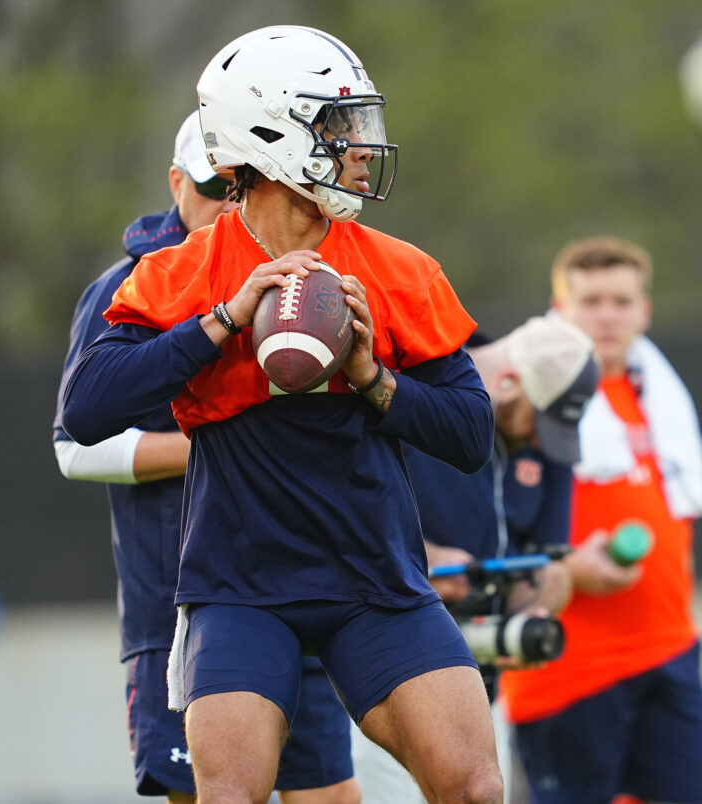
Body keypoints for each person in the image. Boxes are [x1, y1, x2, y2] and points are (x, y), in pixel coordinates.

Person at [61, 24, 504, 804]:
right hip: (240, 587)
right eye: (339, 125)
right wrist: (221, 323)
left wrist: (372, 379)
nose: (362, 147)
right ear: (267, 135)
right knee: (230, 796)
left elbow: (472, 434)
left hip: (375, 581)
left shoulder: (400, 269)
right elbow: (88, 409)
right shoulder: (181, 273)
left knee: (474, 787)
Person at [53, 110, 360, 804]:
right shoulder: (129, 286)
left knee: (331, 794)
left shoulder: (304, 280)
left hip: (297, 584)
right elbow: (74, 449)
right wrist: (214, 445)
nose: (226, 203)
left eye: (240, 186)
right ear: (175, 184)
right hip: (179, 598)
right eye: (211, 186)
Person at [350, 315, 601, 804]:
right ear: (510, 382)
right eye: (539, 421)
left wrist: (531, 607)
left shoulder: (546, 439)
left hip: (484, 691)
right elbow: (334, 517)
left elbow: (552, 564)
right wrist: (423, 560)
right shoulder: (404, 384)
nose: (541, 441)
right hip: (384, 682)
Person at [499, 236, 702, 804]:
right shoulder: (522, 403)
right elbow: (490, 532)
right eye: (591, 301)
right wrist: (567, 570)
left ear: (645, 310)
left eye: (621, 301)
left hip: (670, 654)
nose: (608, 315)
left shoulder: (661, 393)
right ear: (559, 309)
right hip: (569, 671)